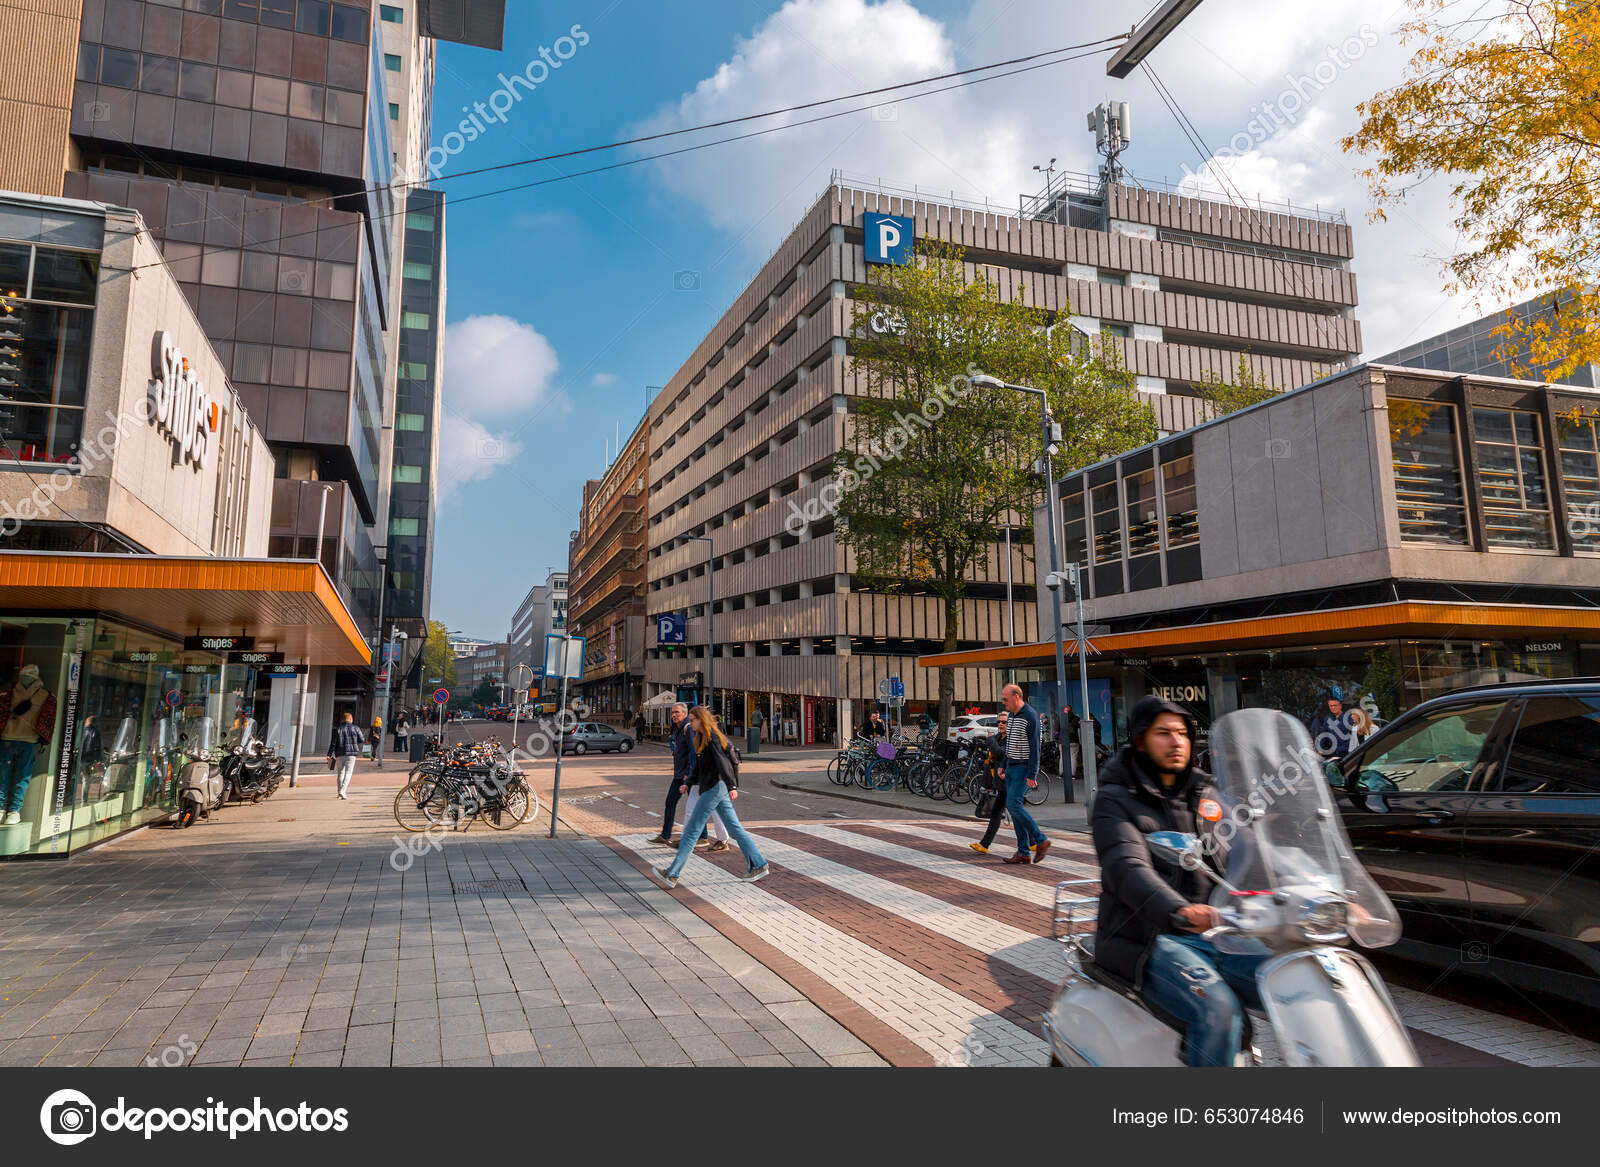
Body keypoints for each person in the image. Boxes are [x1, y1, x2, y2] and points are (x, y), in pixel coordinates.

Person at [1091, 695, 1265, 1068]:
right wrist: (1179, 911)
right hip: (1148, 937)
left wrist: (1316, 894)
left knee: (1296, 980)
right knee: (1219, 1009)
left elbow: (1251, 851)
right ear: (1140, 740)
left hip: (1218, 932)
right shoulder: (1113, 800)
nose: (1177, 742)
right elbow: (1127, 867)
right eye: (1164, 733)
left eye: (1183, 733)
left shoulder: (1205, 793)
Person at [651, 707, 769, 888]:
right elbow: (699, 766)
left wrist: (732, 786)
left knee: (691, 831)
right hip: (716, 787)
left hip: (715, 787)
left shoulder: (712, 737)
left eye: (693, 719)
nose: (691, 723)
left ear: (702, 719)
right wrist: (688, 783)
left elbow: (723, 764)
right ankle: (759, 864)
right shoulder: (703, 738)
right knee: (735, 829)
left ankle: (672, 873)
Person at [998, 683, 1050, 864]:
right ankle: (1024, 852)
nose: (1003, 702)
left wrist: (1032, 774)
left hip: (1023, 767)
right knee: (1014, 808)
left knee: (1014, 805)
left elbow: (1036, 747)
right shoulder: (1012, 716)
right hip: (1012, 766)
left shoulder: (1030, 716)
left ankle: (1041, 840)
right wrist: (1004, 764)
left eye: (1006, 699)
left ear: (1016, 697)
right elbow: (1010, 742)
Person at [649, 702, 712, 849]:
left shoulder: (688, 728)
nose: (674, 715)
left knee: (693, 806)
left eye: (677, 712)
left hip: (686, 776)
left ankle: (702, 837)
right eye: (672, 713)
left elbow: (694, 752)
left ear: (684, 714)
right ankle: (666, 835)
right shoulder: (678, 729)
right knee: (671, 803)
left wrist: (689, 774)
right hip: (679, 774)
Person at [969, 709, 1011, 854]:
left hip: (1010, 782)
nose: (1000, 724)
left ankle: (1035, 840)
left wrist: (990, 740)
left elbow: (999, 754)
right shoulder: (999, 737)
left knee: (1016, 814)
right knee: (997, 814)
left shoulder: (1010, 739)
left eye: (1004, 722)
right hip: (1001, 783)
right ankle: (984, 845)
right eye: (998, 722)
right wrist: (986, 784)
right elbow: (992, 760)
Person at [327, 711, 364, 800]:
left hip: (339, 753)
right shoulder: (356, 728)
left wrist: (329, 754)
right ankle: (343, 790)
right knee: (348, 773)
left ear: (342, 720)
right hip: (351, 754)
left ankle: (339, 791)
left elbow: (333, 743)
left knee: (340, 773)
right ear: (351, 719)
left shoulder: (337, 728)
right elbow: (362, 739)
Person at [1309, 694, 1356, 761]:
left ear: (1340, 706)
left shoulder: (1348, 718)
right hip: (1332, 755)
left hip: (1347, 754)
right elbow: (1324, 734)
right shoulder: (1328, 718)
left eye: (1335, 705)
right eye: (1331, 706)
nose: (1333, 707)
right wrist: (1320, 749)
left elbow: (1355, 735)